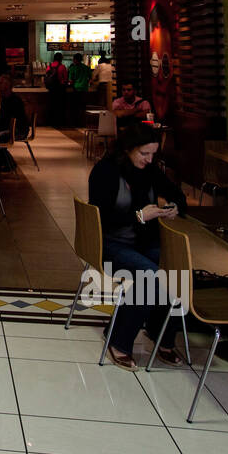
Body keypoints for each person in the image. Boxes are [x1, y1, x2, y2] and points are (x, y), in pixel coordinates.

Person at [87, 122, 189, 370]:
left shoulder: (151, 171)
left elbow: (178, 194)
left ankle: (161, 336)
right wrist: (139, 216)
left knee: (178, 272)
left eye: (153, 154)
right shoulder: (106, 172)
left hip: (143, 242)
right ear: (128, 149)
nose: (149, 159)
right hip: (111, 245)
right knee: (150, 276)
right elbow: (100, 220)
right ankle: (119, 341)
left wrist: (176, 206)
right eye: (144, 153)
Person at [0, 73, 29, 142]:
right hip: (10, 129)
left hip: (18, 131)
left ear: (7, 85)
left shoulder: (14, 101)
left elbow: (8, 122)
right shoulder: (5, 99)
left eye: (0, 83)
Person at [43, 54, 68, 127]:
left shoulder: (49, 67)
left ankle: (51, 122)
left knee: (52, 106)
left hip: (51, 90)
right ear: (61, 59)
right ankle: (60, 123)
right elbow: (65, 78)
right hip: (60, 90)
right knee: (60, 107)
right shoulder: (62, 67)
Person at [67, 52, 92, 125]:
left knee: (75, 107)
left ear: (75, 60)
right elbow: (91, 78)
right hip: (84, 89)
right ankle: (83, 122)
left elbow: (70, 81)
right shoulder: (86, 67)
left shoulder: (72, 68)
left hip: (76, 89)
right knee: (83, 107)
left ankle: (76, 122)